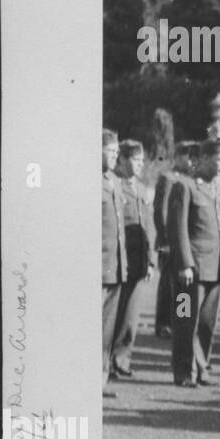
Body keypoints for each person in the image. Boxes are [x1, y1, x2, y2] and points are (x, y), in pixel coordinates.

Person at [168, 137, 220, 387]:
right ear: (204, 159)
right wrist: (185, 263)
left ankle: (202, 369)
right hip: (191, 272)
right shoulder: (185, 187)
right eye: (219, 161)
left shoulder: (216, 190)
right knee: (185, 322)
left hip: (214, 269)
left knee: (206, 324)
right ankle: (184, 373)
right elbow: (178, 228)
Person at [109, 139, 155, 379]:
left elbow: (148, 224)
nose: (140, 165)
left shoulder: (141, 188)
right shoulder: (113, 184)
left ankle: (122, 359)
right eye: (135, 160)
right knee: (113, 316)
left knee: (131, 318)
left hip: (138, 262)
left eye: (142, 160)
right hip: (119, 261)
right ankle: (108, 362)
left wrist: (151, 260)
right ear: (123, 160)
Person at [153, 140, 195, 337]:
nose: (191, 161)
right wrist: (165, 240)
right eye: (188, 156)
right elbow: (160, 212)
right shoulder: (168, 178)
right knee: (168, 286)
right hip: (170, 243)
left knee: (183, 288)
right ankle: (164, 324)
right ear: (178, 157)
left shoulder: (190, 180)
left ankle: (181, 320)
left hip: (184, 243)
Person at [101, 130, 128, 398]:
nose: (115, 157)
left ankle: (102, 379)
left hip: (118, 267)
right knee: (183, 312)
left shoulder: (115, 182)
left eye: (116, 152)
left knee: (109, 329)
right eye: (111, 151)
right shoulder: (90, 182)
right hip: (98, 268)